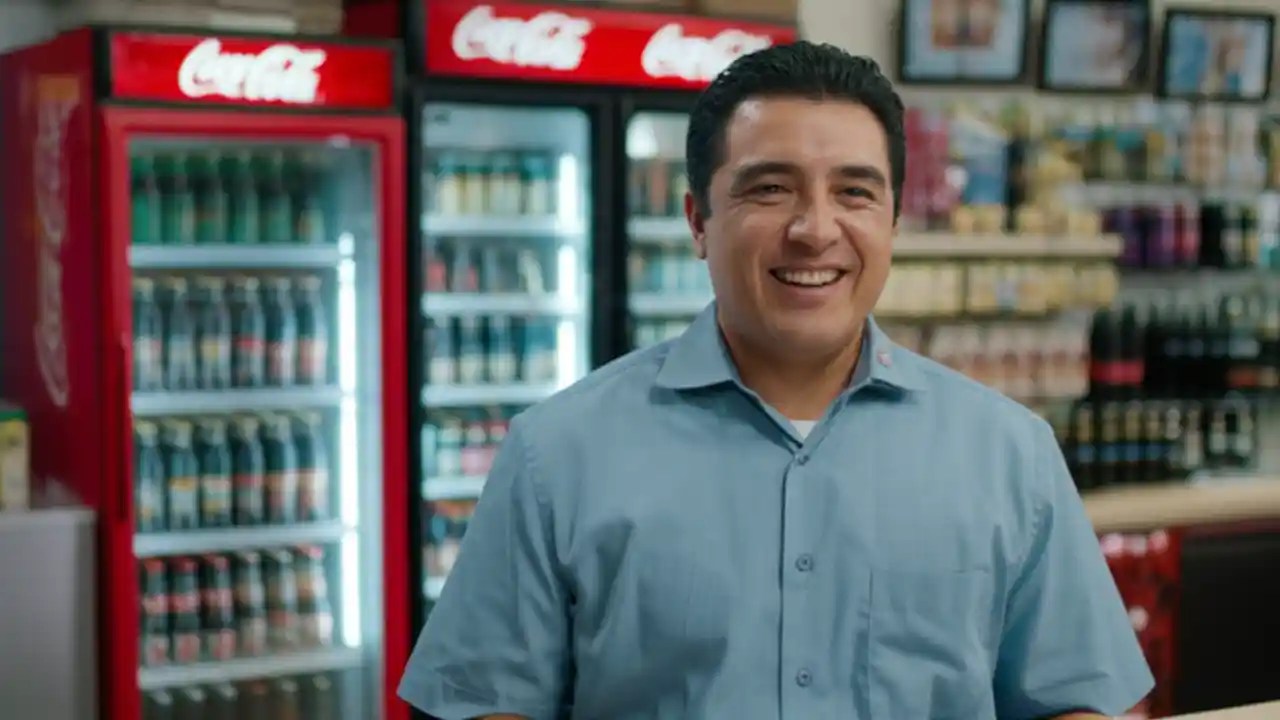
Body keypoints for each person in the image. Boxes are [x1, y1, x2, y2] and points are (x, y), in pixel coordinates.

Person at [398, 41, 1154, 719]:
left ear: (893, 221)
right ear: (698, 221)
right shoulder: (556, 454)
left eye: (855, 192)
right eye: (769, 189)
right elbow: (483, 704)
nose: (815, 229)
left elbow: (1075, 702)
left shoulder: (1010, 454)